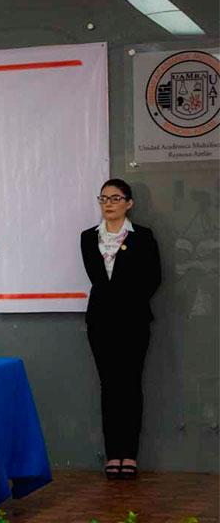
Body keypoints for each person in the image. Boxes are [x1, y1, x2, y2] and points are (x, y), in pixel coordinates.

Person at [80, 178, 161, 480]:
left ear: (129, 203)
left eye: (115, 198)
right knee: (109, 386)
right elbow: (98, 279)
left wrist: (125, 303)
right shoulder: (88, 237)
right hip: (101, 322)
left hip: (133, 321)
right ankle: (113, 454)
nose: (109, 204)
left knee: (130, 385)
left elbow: (153, 278)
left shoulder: (143, 236)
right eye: (104, 198)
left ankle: (130, 454)